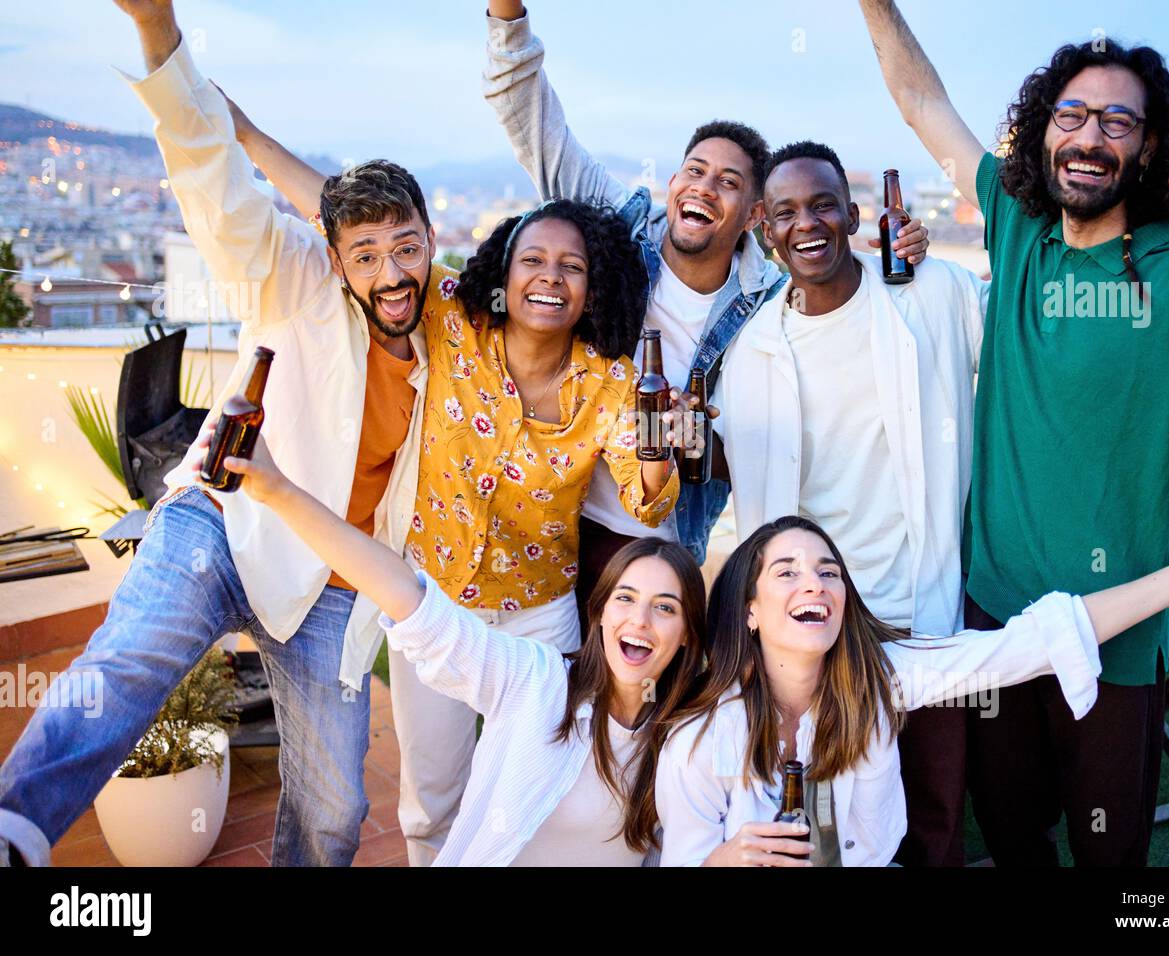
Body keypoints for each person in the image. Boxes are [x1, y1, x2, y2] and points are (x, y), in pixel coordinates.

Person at [0, 0, 454, 866]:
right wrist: (157, 30)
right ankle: (16, 827)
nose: (390, 273)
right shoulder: (293, 273)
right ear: (335, 258)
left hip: (333, 576)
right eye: (365, 256)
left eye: (407, 248)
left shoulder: (448, 329)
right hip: (223, 521)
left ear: (432, 241)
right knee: (127, 662)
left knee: (336, 809)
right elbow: (214, 184)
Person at [858, 0, 1169, 865]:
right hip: (994, 623)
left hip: (1115, 638)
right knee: (1015, 836)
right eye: (1072, 114)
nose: (1090, 135)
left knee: (1109, 858)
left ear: (1152, 148)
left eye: (1118, 121)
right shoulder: (1018, 229)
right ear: (1043, 132)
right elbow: (920, 99)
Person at [479, 1, 930, 614]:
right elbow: (531, 117)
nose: (702, 186)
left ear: (754, 217)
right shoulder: (619, 225)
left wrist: (906, 254)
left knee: (637, 702)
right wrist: (508, 13)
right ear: (672, 184)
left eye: (727, 181)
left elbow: (807, 405)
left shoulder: (773, 309)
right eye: (694, 170)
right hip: (554, 517)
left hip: (659, 545)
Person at [656, 511, 1169, 866]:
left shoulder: (883, 678)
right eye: (787, 572)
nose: (814, 584)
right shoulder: (699, 739)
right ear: (748, 609)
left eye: (829, 572)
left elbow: (1037, 641)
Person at [189, 427, 705, 866]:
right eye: (626, 598)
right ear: (600, 613)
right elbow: (404, 595)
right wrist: (277, 489)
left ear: (686, 635)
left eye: (665, 607)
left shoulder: (687, 738)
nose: (639, 619)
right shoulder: (538, 681)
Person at [712, 140, 987, 866]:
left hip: (919, 609)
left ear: (856, 215)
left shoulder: (935, 294)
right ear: (765, 231)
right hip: (819, 627)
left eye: (823, 204)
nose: (807, 223)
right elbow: (707, 454)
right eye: (786, 212)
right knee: (830, 823)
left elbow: (1028, 350)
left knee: (934, 813)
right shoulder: (751, 350)